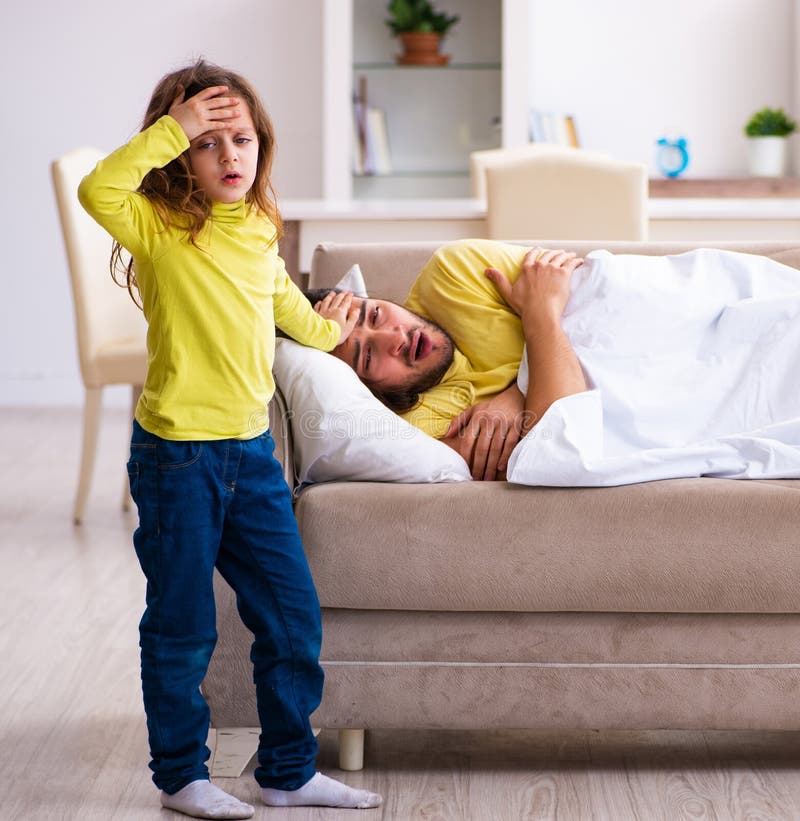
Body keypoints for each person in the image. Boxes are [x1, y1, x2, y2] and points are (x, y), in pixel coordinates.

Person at [79, 60, 381, 820]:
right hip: (177, 457)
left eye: (240, 139)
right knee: (182, 627)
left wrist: (332, 326)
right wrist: (168, 129)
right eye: (207, 142)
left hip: (253, 456)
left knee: (292, 615)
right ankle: (181, 775)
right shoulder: (157, 226)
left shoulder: (257, 228)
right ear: (177, 153)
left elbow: (283, 305)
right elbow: (98, 190)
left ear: (260, 144)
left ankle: (286, 768)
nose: (229, 156)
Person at [310, 239, 584, 481]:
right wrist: (541, 314)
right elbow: (557, 451)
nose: (396, 338)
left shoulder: (453, 272)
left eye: (375, 315)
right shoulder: (417, 431)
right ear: (367, 389)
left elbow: (580, 293)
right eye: (368, 356)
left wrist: (520, 395)